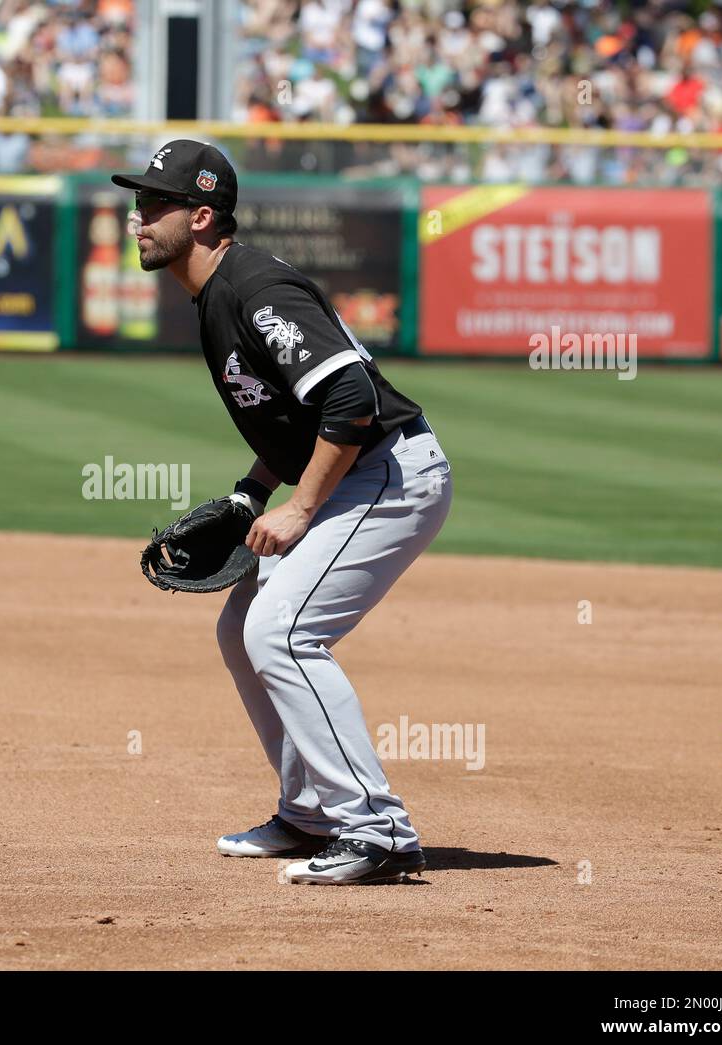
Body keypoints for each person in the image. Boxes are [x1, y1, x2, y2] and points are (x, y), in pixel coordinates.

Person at [112, 141, 453, 885]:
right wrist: (251, 491)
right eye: (138, 204)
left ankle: (376, 827)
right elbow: (292, 422)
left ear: (203, 218)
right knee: (242, 629)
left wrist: (299, 508)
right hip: (353, 474)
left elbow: (351, 400)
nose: (138, 220)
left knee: (282, 630)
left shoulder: (256, 287)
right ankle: (309, 811)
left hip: (388, 474)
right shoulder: (212, 296)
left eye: (155, 206)